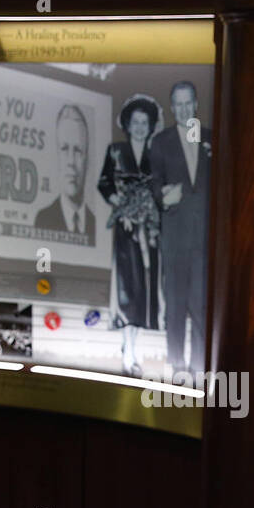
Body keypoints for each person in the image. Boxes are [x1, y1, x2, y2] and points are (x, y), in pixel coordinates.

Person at [147, 81, 211, 377]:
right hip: (175, 240)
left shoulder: (212, 140)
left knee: (200, 307)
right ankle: (176, 367)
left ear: (196, 104)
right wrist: (162, 196)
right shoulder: (160, 142)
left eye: (189, 103)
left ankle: (198, 368)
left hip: (203, 241)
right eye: (179, 104)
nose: (185, 109)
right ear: (172, 108)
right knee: (175, 305)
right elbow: (153, 182)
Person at [98, 93, 162, 376]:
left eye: (144, 122)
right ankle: (128, 350)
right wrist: (120, 207)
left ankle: (133, 347)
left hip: (149, 232)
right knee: (128, 289)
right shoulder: (115, 150)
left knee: (144, 291)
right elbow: (104, 183)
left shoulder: (156, 153)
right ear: (128, 124)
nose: (139, 126)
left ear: (150, 125)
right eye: (134, 122)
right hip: (125, 232)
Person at [34, 104, 95, 243]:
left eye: (78, 150)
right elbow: (42, 265)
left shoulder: (97, 226)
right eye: (64, 149)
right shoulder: (43, 220)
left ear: (87, 160)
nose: (71, 162)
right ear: (56, 155)